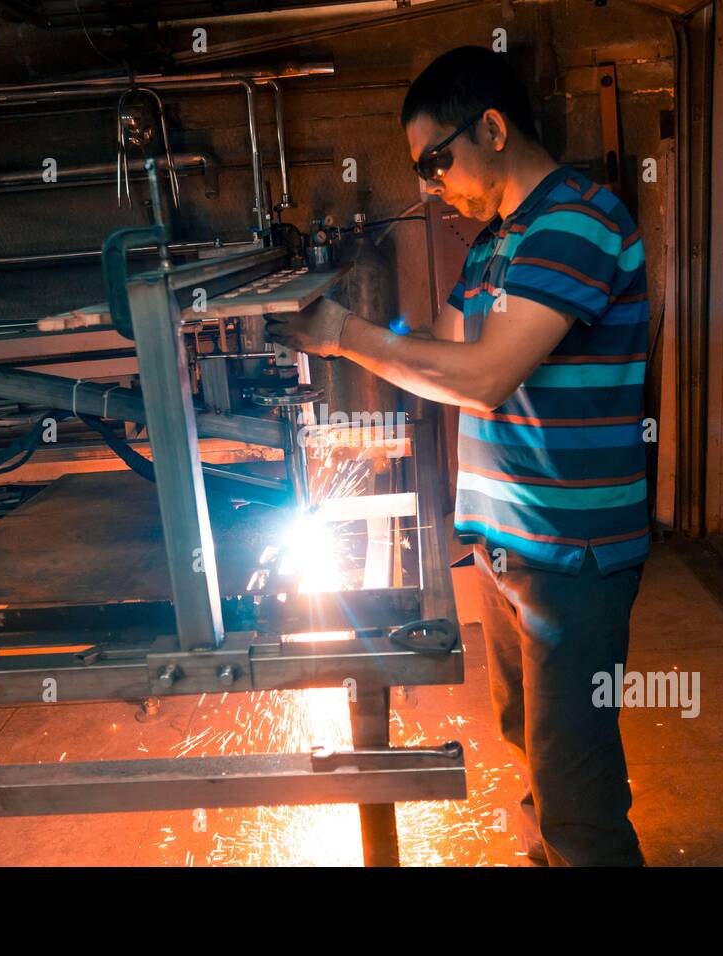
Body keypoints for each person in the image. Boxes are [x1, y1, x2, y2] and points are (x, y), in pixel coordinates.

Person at [266, 45, 650, 866]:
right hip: (507, 552)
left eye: (435, 161)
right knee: (532, 755)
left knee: (578, 792)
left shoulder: (580, 219)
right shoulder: (492, 245)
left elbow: (484, 375)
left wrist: (344, 336)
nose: (429, 185)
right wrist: (345, 331)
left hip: (572, 555)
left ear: (495, 128)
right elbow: (441, 353)